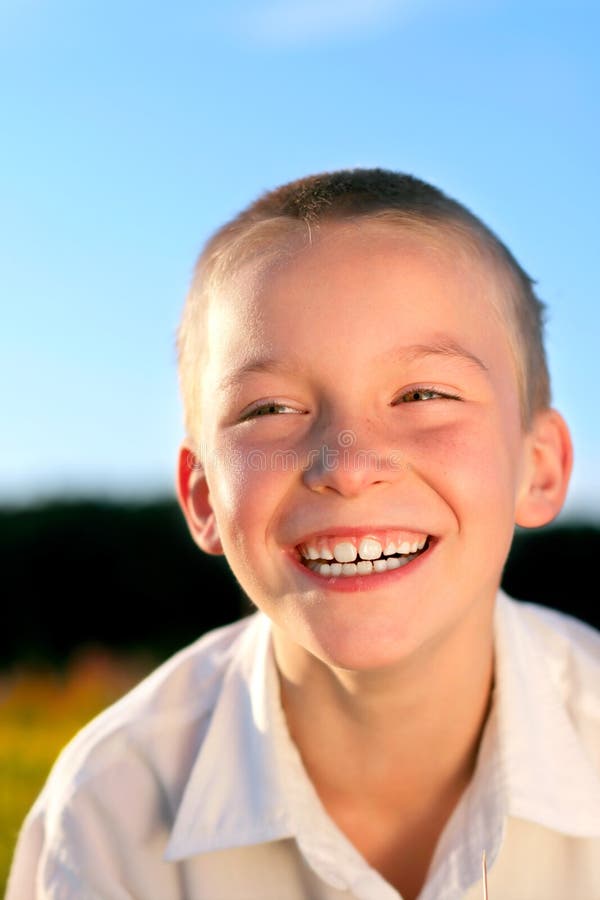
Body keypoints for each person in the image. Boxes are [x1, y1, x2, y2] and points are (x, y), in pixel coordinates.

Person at [7, 169, 600, 900]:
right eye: (271, 409)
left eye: (423, 394)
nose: (347, 467)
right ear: (202, 496)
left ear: (539, 469)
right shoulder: (106, 812)